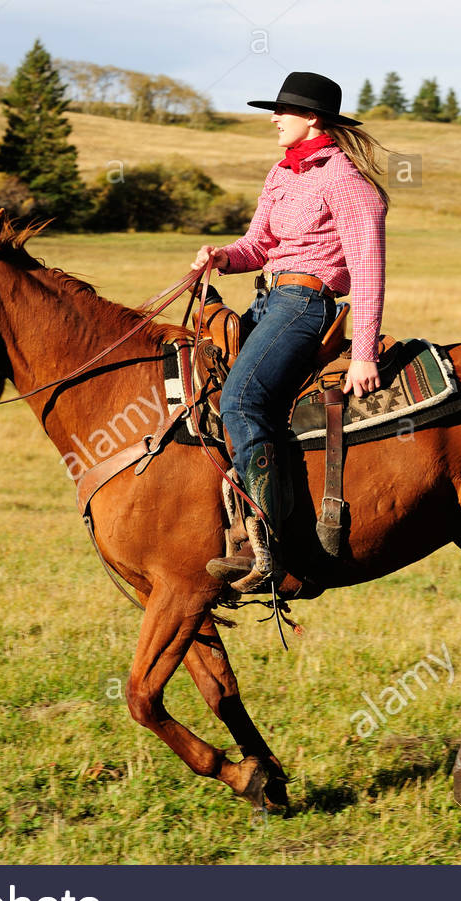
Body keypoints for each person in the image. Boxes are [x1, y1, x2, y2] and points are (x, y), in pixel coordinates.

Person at [192, 71, 391, 591]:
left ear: (313, 119)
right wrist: (221, 257)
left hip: (307, 304)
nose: (274, 119)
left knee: (240, 399)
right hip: (267, 299)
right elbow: (257, 245)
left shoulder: (346, 182)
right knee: (204, 386)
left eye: (283, 111)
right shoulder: (282, 173)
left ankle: (267, 544)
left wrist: (365, 351)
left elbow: (368, 267)